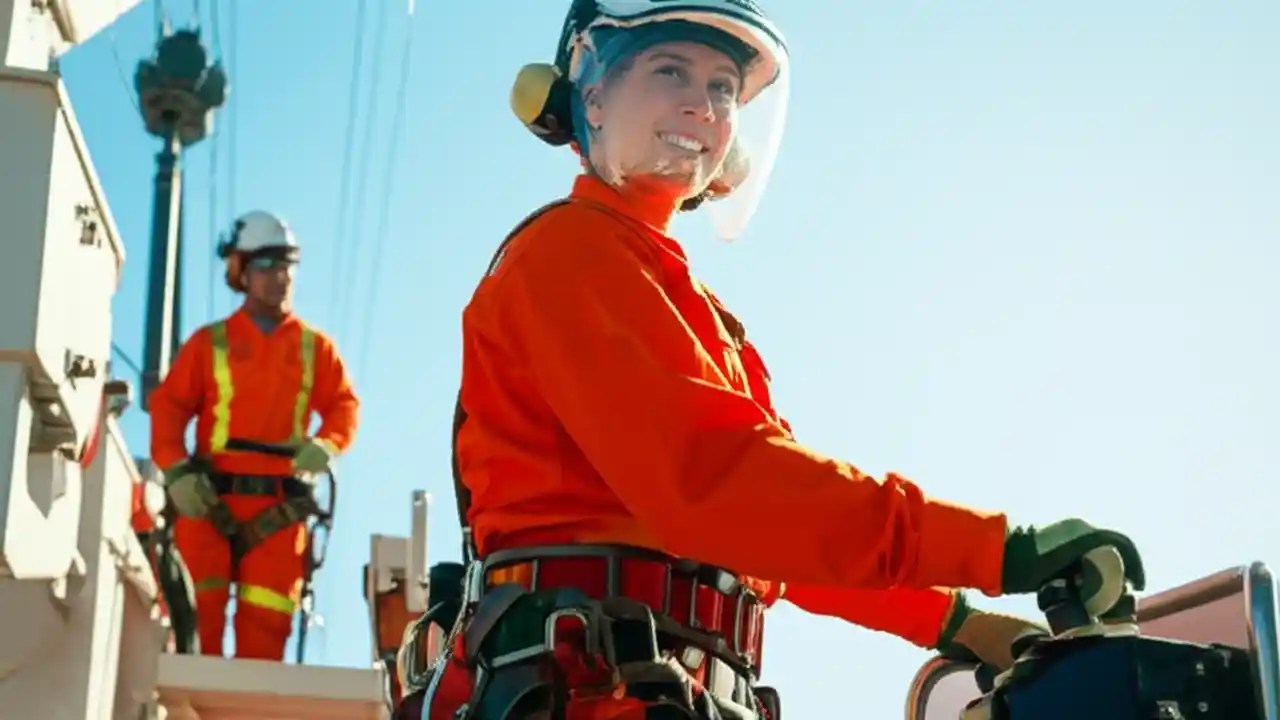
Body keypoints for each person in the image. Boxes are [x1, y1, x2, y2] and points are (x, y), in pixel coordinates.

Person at [410, 2, 1147, 717]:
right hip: (585, 693)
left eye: (722, 87)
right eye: (670, 72)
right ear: (591, 98)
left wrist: (954, 621)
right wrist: (998, 551)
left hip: (662, 689)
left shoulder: (686, 303)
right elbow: (717, 479)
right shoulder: (569, 255)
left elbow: (771, 539)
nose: (701, 104)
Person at [148, 210, 359, 660]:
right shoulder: (211, 343)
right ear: (242, 273)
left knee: (266, 636)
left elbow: (343, 405)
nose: (279, 277)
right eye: (266, 266)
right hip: (208, 502)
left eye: (286, 266)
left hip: (279, 511)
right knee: (190, 628)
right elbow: (168, 407)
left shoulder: (314, 347)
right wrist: (176, 472)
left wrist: (328, 444)